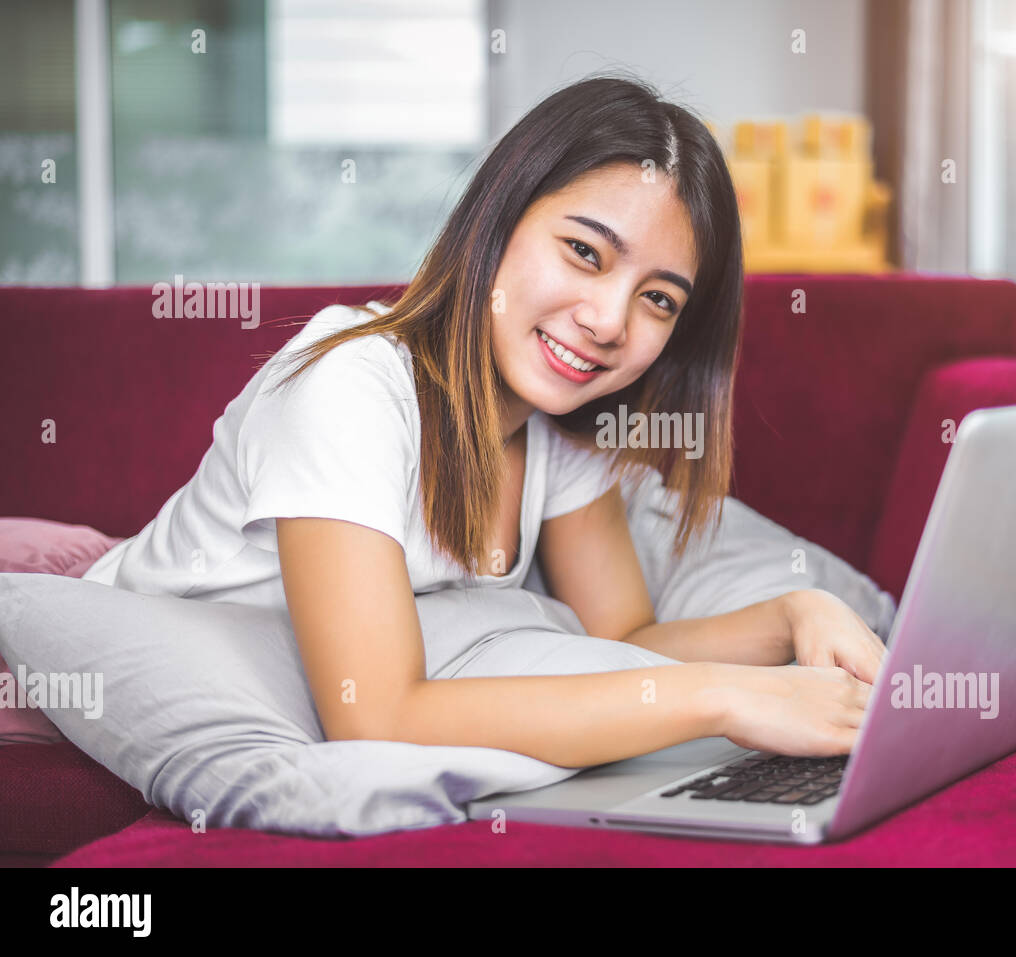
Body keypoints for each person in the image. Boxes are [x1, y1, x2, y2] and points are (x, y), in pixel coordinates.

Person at [82, 73, 885, 769]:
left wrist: (794, 615)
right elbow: (377, 715)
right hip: (130, 669)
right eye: (585, 252)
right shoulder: (348, 385)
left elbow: (628, 643)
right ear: (499, 220)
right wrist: (726, 699)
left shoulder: (557, 424)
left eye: (659, 299)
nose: (609, 319)